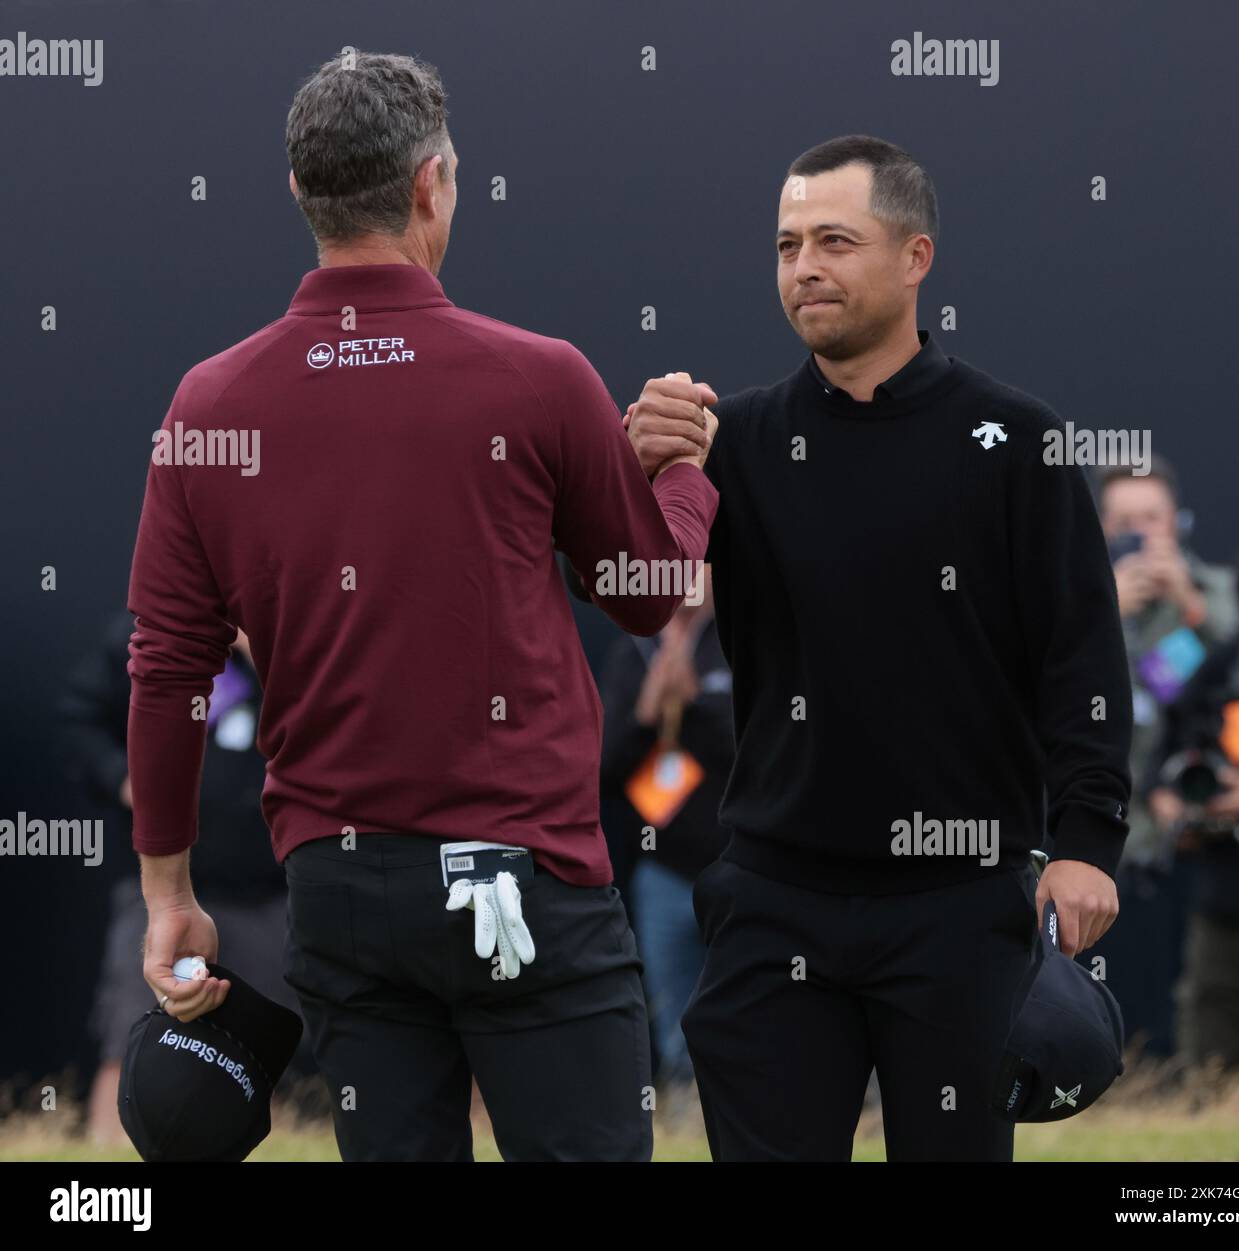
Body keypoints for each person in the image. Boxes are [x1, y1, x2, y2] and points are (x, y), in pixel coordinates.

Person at [123, 51, 718, 1161]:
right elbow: (646, 597)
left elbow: (167, 668)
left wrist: (168, 891)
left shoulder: (210, 402)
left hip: (342, 892)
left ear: (300, 192)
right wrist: (679, 477)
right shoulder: (539, 378)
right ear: (430, 184)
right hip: (529, 880)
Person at [625, 134, 1132, 1161]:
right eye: (786, 246)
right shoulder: (734, 441)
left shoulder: (1017, 441)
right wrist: (635, 480)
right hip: (773, 901)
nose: (803, 267)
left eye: (834, 241)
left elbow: (1080, 661)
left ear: (915, 258)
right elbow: (637, 595)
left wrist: (1087, 842)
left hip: (961, 906)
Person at [60, 616, 304, 1144]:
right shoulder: (149, 635)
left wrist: (261, 647)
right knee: (133, 1035)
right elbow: (81, 720)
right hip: (162, 887)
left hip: (269, 888)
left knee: (259, 1046)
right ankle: (111, 1162)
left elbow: (325, 720)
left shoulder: (290, 631)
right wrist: (123, 780)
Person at [1090, 459, 1239, 1058]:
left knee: (1189, 990)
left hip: (1193, 829)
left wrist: (1190, 604)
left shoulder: (1217, 592)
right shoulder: (1075, 590)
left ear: (1176, 522)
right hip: (1099, 828)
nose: (1139, 533)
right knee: (1105, 988)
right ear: (1102, 526)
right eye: (1123, 521)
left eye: (1151, 519)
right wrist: (1101, 607)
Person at [1146, 536, 1239, 1077]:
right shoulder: (1215, 666)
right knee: (1211, 1074)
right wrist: (1169, 801)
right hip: (1221, 911)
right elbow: (1162, 759)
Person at [599, 570, 733, 1091]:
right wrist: (646, 714)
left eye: (702, 565)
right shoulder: (632, 652)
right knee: (672, 1025)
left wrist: (695, 705)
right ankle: (683, 1117)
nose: (691, 578)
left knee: (741, 1018)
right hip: (662, 872)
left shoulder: (738, 643)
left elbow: (762, 751)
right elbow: (604, 768)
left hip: (735, 870)